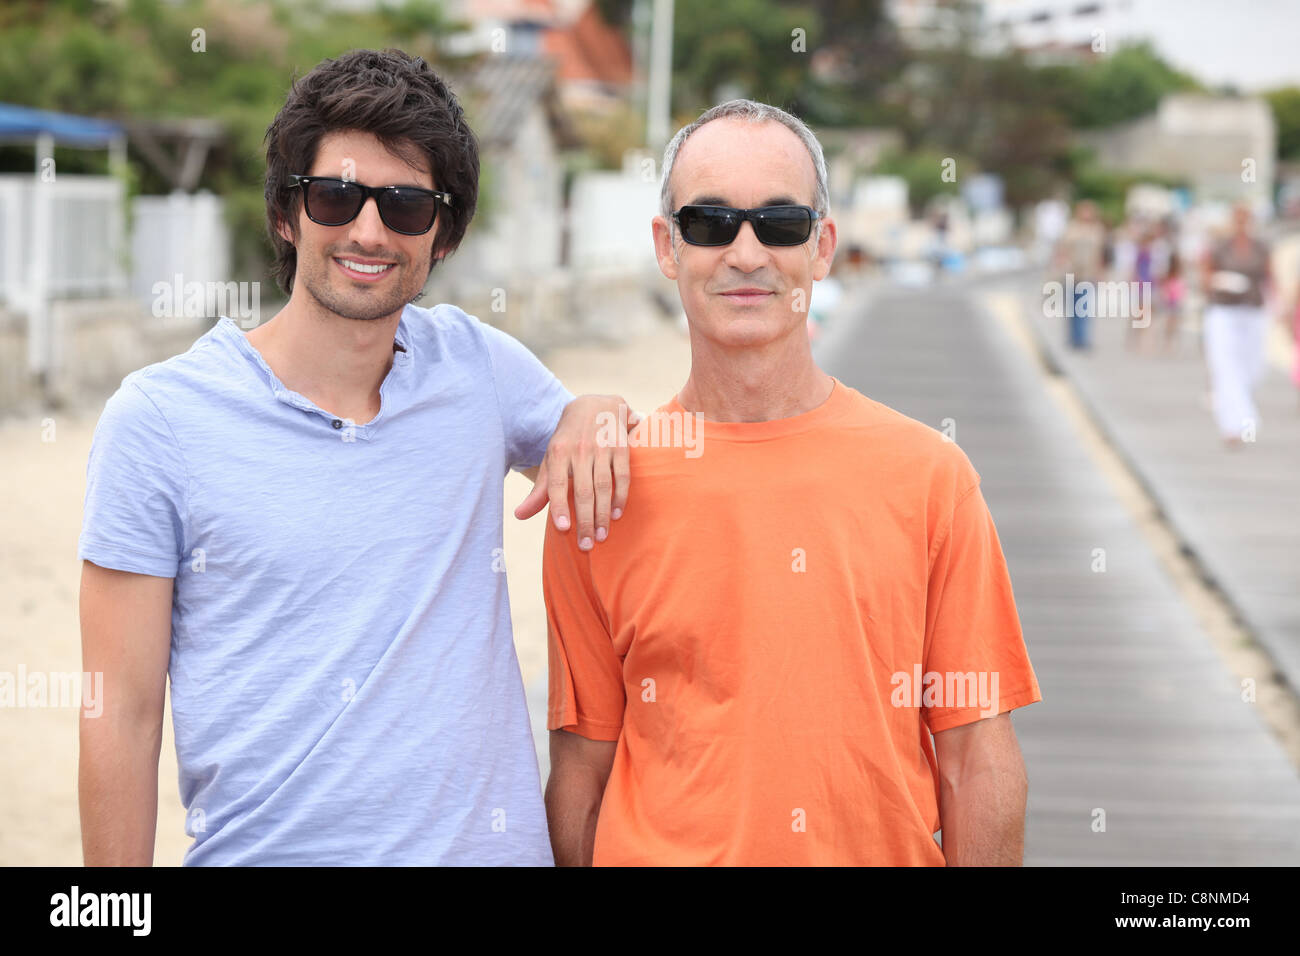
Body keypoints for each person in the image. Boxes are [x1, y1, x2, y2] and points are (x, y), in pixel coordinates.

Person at [78, 49, 634, 866]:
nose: (369, 231)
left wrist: (598, 410)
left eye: (406, 206)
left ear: (443, 234)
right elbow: (118, 711)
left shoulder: (478, 368)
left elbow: (603, 452)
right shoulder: (159, 420)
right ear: (285, 213)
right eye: (336, 196)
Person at [542, 99, 1042, 866]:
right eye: (709, 222)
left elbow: (975, 756)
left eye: (781, 223)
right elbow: (582, 769)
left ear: (824, 246)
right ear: (667, 247)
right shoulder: (602, 489)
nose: (746, 253)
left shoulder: (930, 478)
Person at [1200, 202, 1272, 446]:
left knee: (1251, 368)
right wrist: (1219, 282)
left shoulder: (1261, 247)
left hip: (1252, 311)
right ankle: (1233, 424)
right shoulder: (1219, 246)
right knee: (1225, 366)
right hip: (1224, 310)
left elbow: (1270, 278)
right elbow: (1206, 275)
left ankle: (1243, 412)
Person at [1055, 199, 1106, 350]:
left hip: (1088, 274)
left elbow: (1100, 253)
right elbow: (1062, 249)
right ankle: (1073, 338)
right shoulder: (1071, 228)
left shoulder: (1097, 230)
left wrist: (1100, 271)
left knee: (1084, 308)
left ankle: (1083, 339)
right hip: (1071, 273)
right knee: (1072, 308)